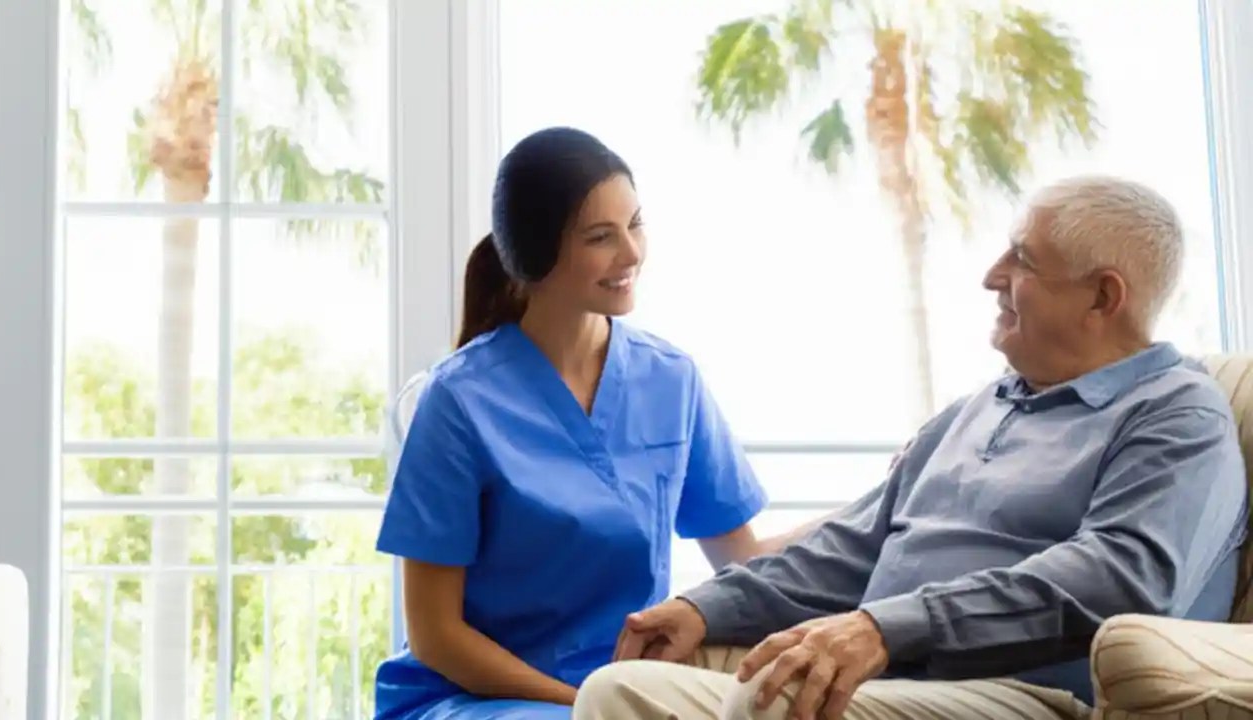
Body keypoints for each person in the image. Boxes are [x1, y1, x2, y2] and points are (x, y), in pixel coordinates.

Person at [573, 175, 1250, 720]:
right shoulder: (980, 406)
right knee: (621, 690)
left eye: (1023, 259)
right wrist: (707, 606)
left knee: (780, 703)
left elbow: (1118, 577)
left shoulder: (1176, 415)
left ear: (1103, 296)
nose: (992, 275)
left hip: (1030, 695)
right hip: (897, 682)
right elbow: (855, 547)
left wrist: (885, 627)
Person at [373, 127, 804, 720]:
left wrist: (882, 506)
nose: (631, 253)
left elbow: (745, 558)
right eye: (601, 237)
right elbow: (436, 636)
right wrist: (589, 705)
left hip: (620, 696)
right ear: (536, 252)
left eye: (636, 225)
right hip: (477, 698)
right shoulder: (458, 400)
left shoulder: (671, 379)